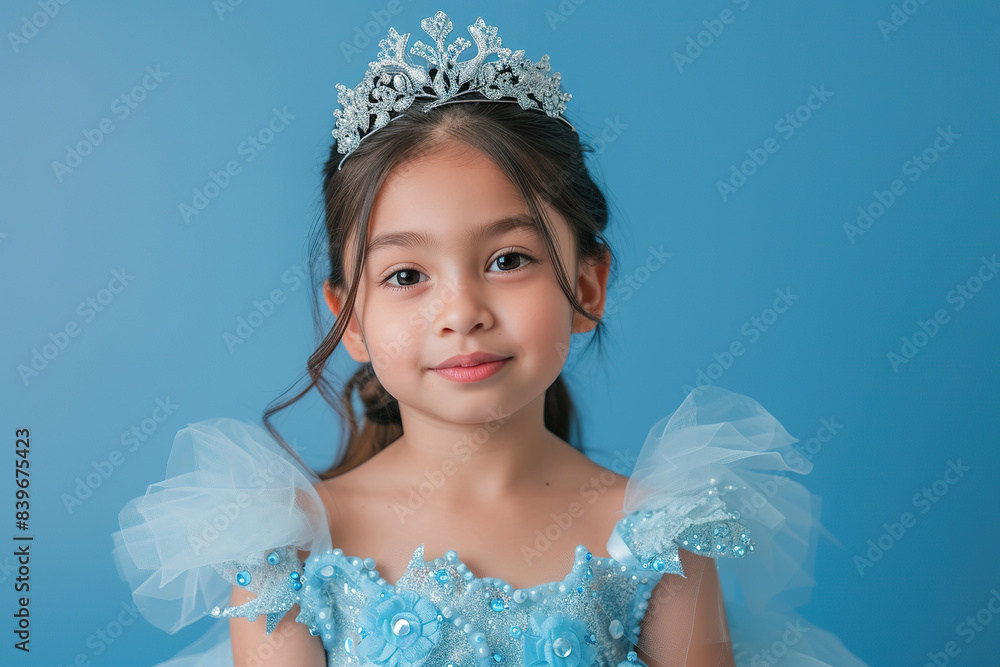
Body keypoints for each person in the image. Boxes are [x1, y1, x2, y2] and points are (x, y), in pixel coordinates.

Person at [112, 11, 869, 667]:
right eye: (407, 274)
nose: (462, 309)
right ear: (350, 319)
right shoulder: (290, 550)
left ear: (587, 287)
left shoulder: (652, 536)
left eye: (509, 260)